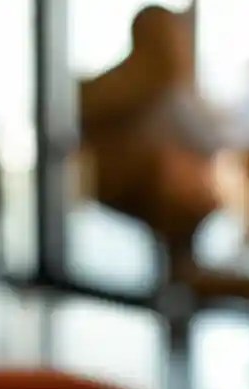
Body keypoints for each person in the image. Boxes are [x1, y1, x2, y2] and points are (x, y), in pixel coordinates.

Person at [80, 6, 223, 276]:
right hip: (164, 203)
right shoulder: (168, 96)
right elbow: (211, 141)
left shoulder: (112, 88)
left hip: (121, 201)